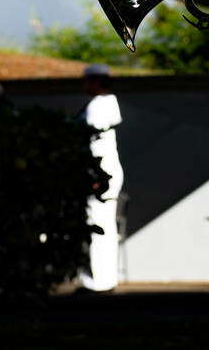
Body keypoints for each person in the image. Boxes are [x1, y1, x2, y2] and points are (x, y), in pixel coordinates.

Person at [76, 63, 124, 292]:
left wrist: (96, 176)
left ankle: (98, 282)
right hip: (104, 172)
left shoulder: (99, 105)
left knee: (98, 226)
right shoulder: (106, 103)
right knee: (103, 225)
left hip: (100, 173)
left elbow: (94, 143)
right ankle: (103, 279)